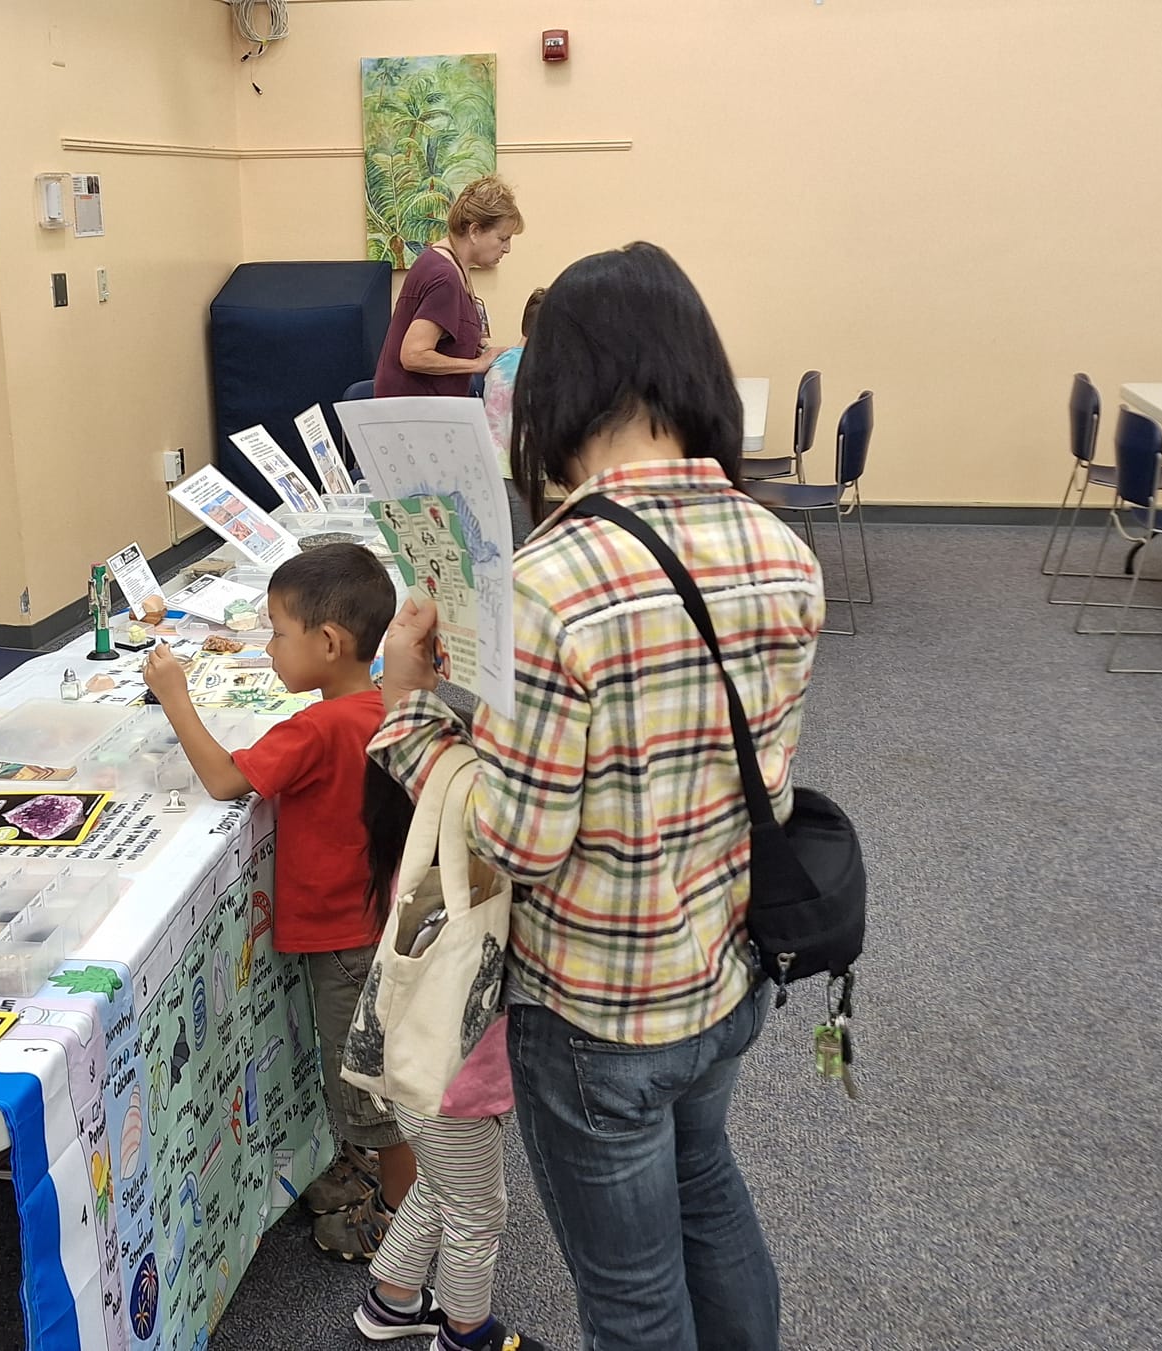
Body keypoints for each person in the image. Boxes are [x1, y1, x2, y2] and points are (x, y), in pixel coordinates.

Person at [370, 242, 825, 1351]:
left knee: (629, 1295)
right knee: (708, 1194)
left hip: (596, 1015)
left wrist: (411, 713)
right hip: (724, 968)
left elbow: (519, 841)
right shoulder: (780, 547)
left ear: (558, 387)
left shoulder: (549, 579)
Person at [140, 544, 420, 1261]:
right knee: (365, 1070)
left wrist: (177, 697)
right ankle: (368, 1167)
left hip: (345, 936)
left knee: (368, 1083)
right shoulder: (379, 703)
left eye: (276, 632)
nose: (268, 648)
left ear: (328, 643)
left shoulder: (319, 726)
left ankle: (399, 1212)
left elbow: (226, 779)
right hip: (372, 922)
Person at [347, 767, 547, 1351]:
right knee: (479, 1213)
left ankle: (393, 1300)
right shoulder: (471, 891)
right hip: (453, 1093)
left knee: (439, 1189)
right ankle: (467, 1335)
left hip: (413, 1077)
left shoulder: (409, 881)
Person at [373, 177, 523, 398]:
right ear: (475, 231)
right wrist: (476, 365)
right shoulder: (444, 276)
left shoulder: (452, 266)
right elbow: (413, 355)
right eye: (503, 238)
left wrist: (486, 352)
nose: (507, 248)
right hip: (414, 410)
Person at [482, 286, 547, 547]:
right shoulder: (541, 371)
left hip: (492, 463)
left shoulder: (498, 361)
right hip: (520, 469)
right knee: (523, 545)